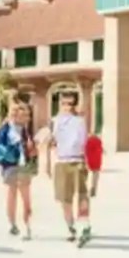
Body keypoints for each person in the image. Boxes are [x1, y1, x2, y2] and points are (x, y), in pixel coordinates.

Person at [46, 91, 93, 247]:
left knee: (82, 195)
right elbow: (48, 143)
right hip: (61, 162)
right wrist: (47, 164)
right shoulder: (54, 121)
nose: (67, 107)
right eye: (64, 103)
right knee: (64, 198)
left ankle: (83, 226)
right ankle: (71, 227)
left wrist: (87, 164)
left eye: (70, 104)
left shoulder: (80, 121)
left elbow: (84, 143)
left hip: (77, 161)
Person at [0, 101, 37, 239]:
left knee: (26, 199)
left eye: (27, 116)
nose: (26, 119)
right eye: (23, 116)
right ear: (15, 115)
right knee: (11, 197)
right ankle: (12, 224)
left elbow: (32, 151)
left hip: (23, 167)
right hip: (10, 166)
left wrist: (32, 151)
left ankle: (27, 226)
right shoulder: (5, 130)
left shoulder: (26, 131)